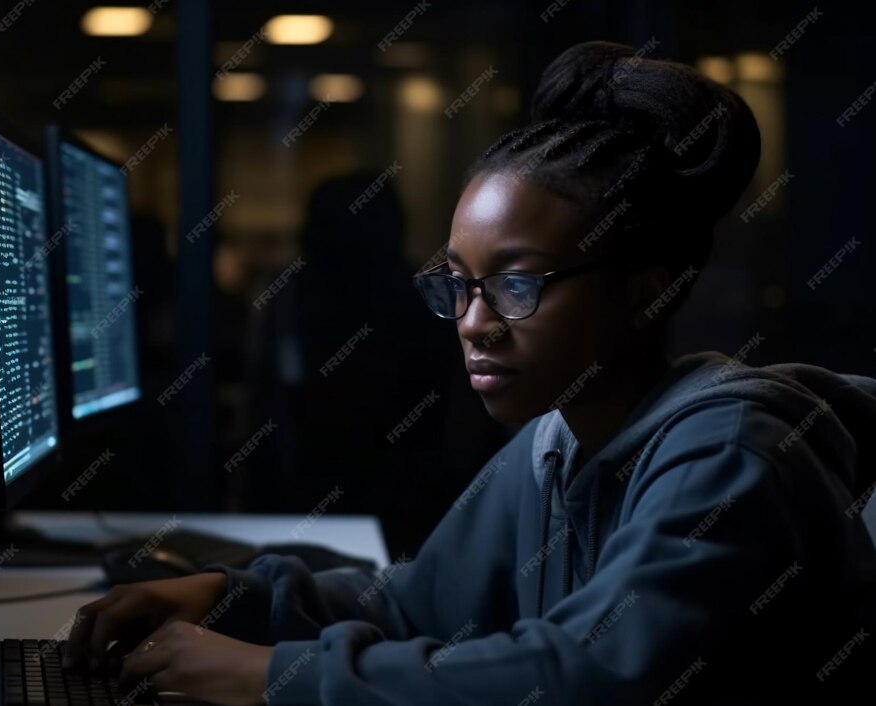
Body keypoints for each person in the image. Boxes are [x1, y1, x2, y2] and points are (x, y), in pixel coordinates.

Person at [63, 41, 876, 705]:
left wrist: (268, 676)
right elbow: (414, 605)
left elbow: (586, 680)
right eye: (459, 284)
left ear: (644, 292)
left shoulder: (733, 453)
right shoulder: (559, 440)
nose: (474, 323)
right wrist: (225, 596)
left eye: (517, 284)